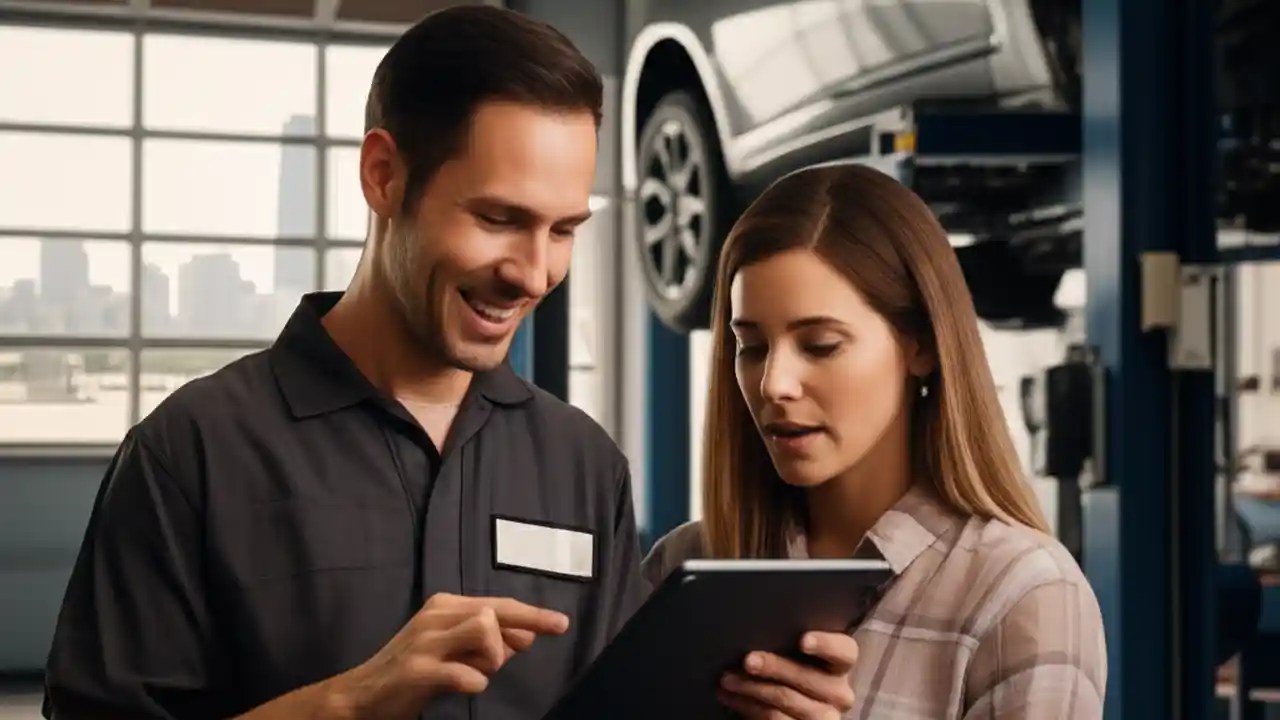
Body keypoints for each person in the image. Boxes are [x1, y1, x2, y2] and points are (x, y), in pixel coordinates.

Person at [41, 6, 856, 720]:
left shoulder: (582, 466)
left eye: (564, 229)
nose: (534, 272)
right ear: (384, 175)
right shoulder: (192, 455)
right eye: (500, 218)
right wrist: (348, 703)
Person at [642, 163, 1108, 718]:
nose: (774, 384)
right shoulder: (685, 567)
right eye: (752, 347)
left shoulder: (1022, 595)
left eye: (820, 345)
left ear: (921, 346)